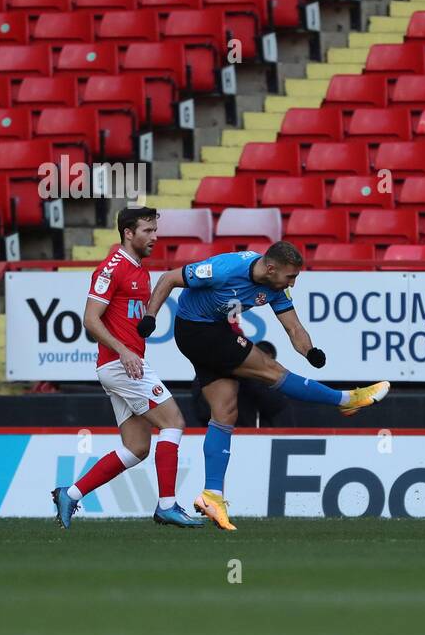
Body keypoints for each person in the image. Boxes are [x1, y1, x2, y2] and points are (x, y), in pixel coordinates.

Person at [144, 242, 389, 531]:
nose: (292, 283)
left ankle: (212, 495)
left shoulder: (274, 286)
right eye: (290, 277)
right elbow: (169, 278)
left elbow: (294, 329)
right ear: (270, 268)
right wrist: (150, 317)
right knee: (272, 371)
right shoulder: (224, 269)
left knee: (225, 412)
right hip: (197, 330)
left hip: (215, 328)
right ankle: (345, 399)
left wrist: (310, 352)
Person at [51, 207, 202, 530]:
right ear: (128, 233)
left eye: (155, 230)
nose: (155, 237)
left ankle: (71, 493)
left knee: (136, 448)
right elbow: (90, 319)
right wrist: (123, 351)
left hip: (124, 365)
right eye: (147, 230)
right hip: (121, 364)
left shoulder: (139, 270)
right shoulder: (112, 268)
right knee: (173, 421)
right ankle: (167, 505)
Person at [191, 340, 289, 428]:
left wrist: (251, 378)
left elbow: (276, 407)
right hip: (217, 430)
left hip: (251, 435)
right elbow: (201, 410)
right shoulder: (207, 372)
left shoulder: (266, 380)